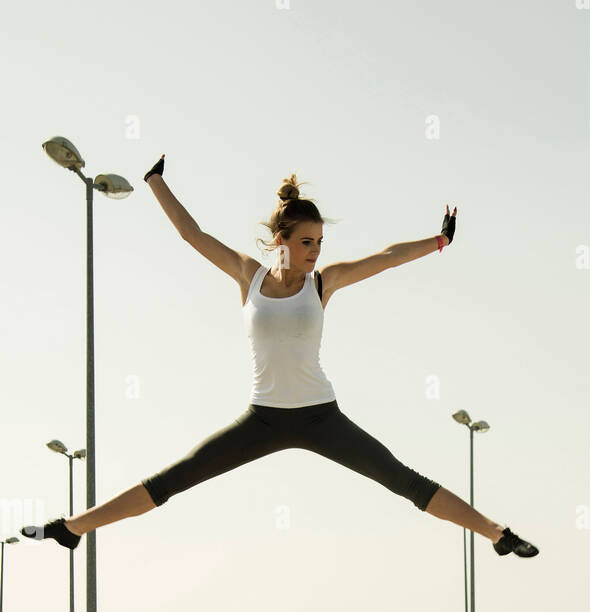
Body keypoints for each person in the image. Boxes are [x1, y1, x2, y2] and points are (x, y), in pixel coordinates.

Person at [22, 156, 538, 560]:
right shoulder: (247, 276)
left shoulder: (323, 282)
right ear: (280, 241)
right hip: (262, 418)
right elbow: (192, 235)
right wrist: (155, 182)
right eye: (306, 241)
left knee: (402, 479)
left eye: (320, 241)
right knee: (176, 477)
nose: (315, 249)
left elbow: (385, 257)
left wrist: (439, 240)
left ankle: (496, 533)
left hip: (321, 416)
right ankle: (72, 528)